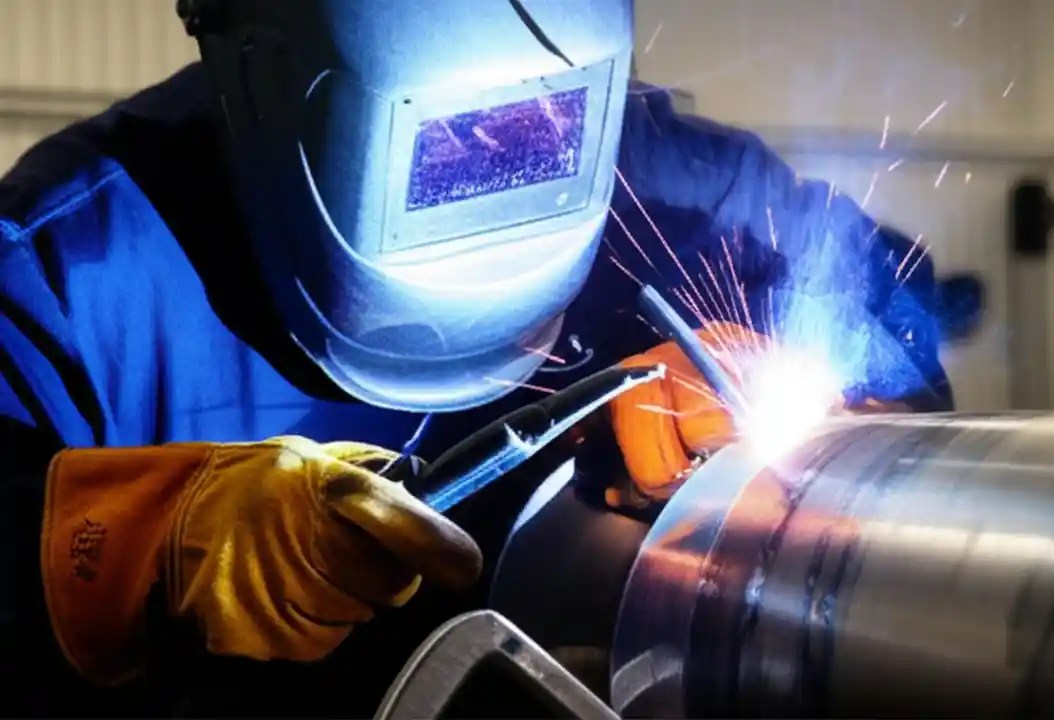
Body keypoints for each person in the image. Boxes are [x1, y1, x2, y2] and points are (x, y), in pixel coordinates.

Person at [0, 0, 953, 715]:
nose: (495, 155)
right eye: (446, 143)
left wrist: (809, 379)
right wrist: (146, 536)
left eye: (545, 124)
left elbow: (895, 322)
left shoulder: (692, 195)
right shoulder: (67, 272)